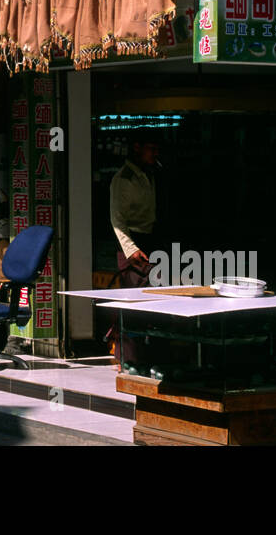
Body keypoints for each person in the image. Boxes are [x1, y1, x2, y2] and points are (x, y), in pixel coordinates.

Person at [107, 129, 163, 374]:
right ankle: (127, 358)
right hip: (132, 242)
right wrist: (130, 249)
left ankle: (147, 358)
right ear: (137, 148)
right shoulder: (124, 178)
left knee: (153, 303)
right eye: (150, 148)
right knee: (133, 303)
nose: (155, 153)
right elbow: (117, 218)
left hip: (150, 239)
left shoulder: (150, 173)